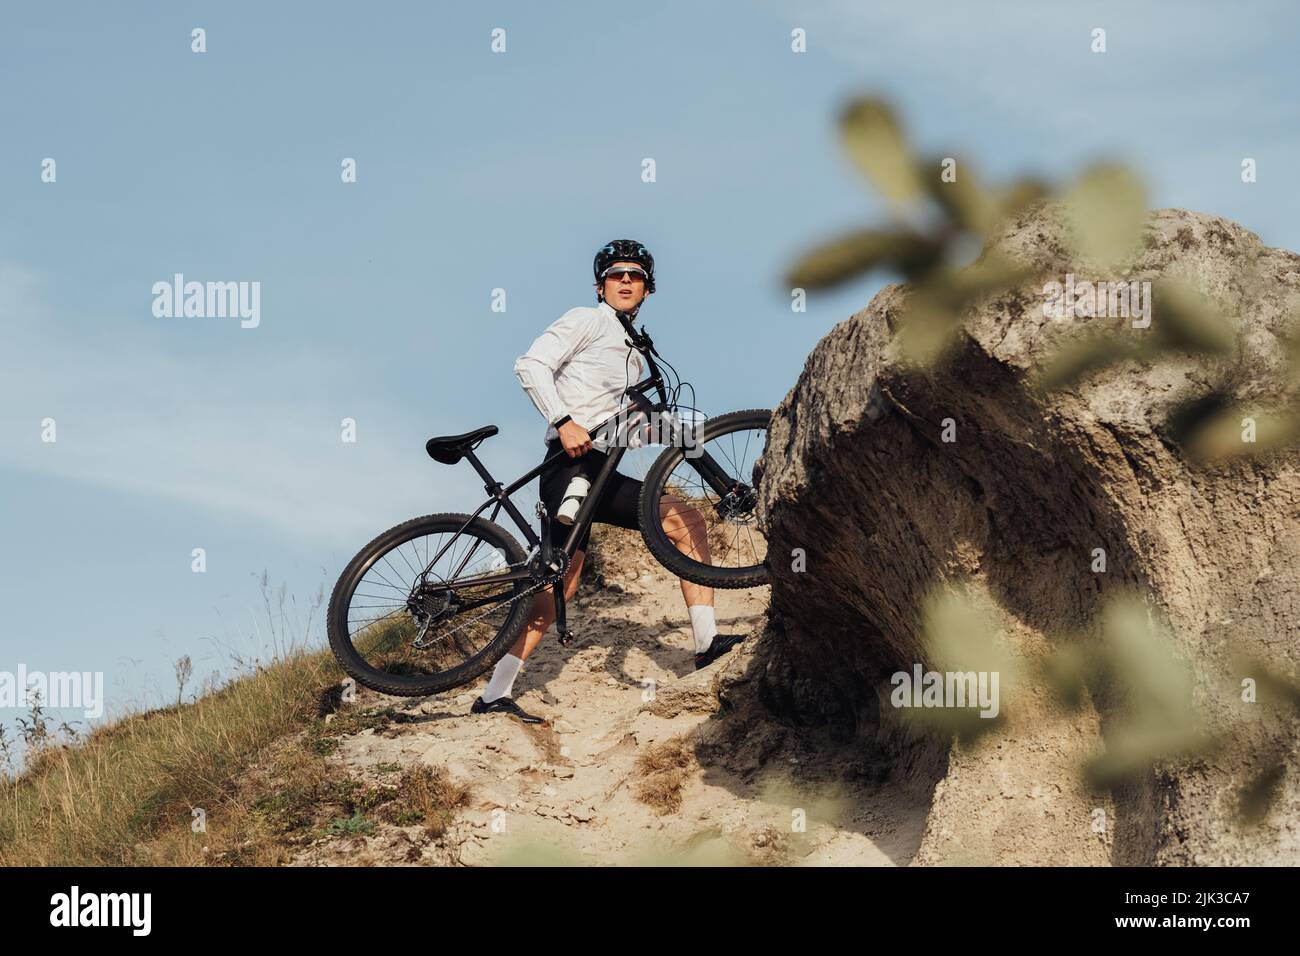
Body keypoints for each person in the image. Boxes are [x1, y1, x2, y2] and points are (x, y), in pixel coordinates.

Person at [470, 239, 745, 723]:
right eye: (615, 274)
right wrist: (564, 420)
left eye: (635, 275)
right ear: (601, 285)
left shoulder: (634, 353)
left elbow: (623, 428)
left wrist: (671, 432)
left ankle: (706, 645)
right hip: (568, 467)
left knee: (685, 522)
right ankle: (495, 693)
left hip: (602, 474)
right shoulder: (586, 320)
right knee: (559, 580)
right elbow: (530, 365)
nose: (625, 280)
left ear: (647, 288)